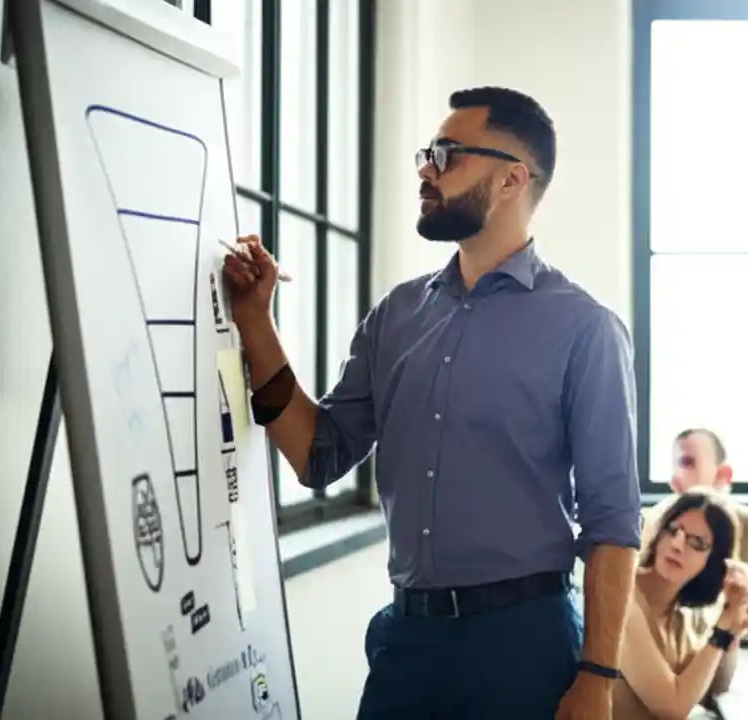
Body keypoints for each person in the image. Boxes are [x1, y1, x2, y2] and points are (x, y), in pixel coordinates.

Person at [221, 87, 642, 719]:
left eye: (446, 154)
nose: (425, 169)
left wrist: (598, 676)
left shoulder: (586, 329)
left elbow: (612, 522)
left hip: (525, 644)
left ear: (510, 179)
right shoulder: (397, 314)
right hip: (409, 642)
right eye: (427, 153)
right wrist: (256, 323)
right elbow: (318, 454)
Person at [615, 488, 748, 719]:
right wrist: (721, 631)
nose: (677, 545)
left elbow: (716, 689)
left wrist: (734, 624)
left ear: (714, 562)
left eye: (697, 542)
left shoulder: (684, 614)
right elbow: (673, 708)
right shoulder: (624, 595)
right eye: (673, 531)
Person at [642, 428, 748, 633]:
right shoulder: (649, 526)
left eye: (687, 464)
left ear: (723, 475)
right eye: (673, 531)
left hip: (744, 652)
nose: (675, 480)